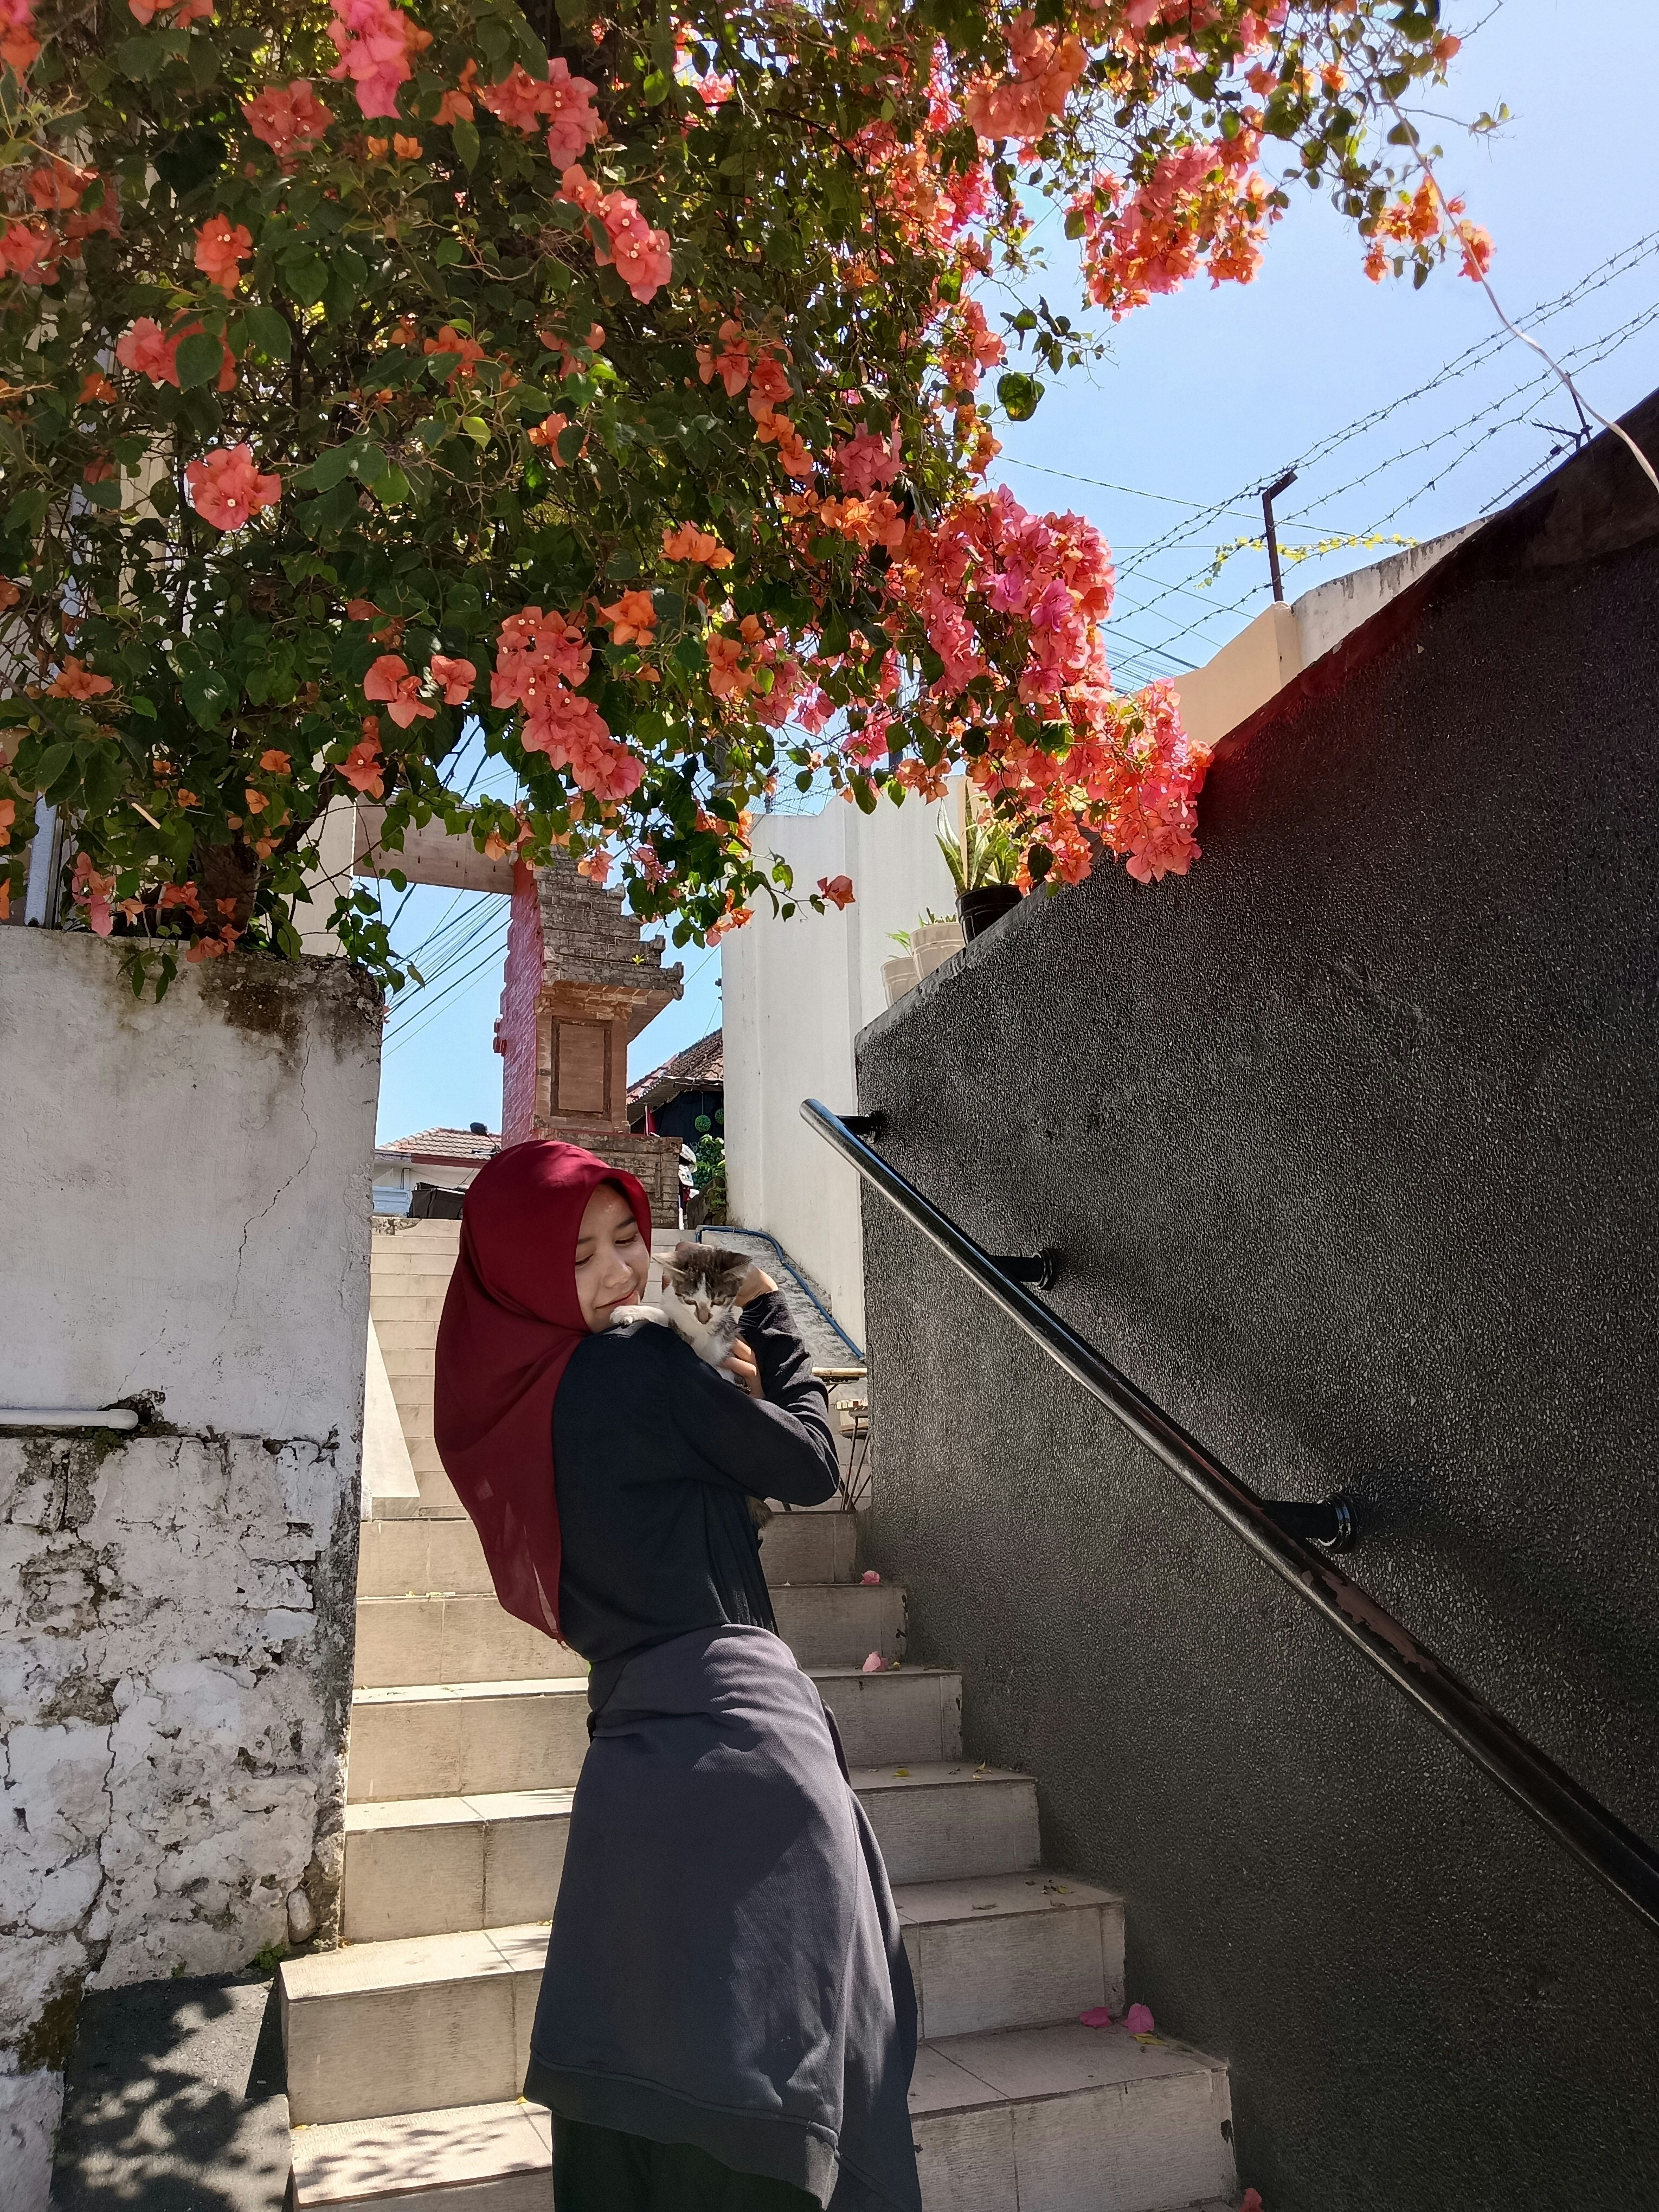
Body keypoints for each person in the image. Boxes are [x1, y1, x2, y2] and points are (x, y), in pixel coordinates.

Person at [432, 1139, 922, 2212]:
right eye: (580, 1256)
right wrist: (762, 1305)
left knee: (646, 2087)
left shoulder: (523, 1410)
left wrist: (708, 1393)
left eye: (626, 1239)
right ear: (520, 1272)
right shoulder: (634, 1365)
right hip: (745, 1739)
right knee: (790, 2087)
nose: (619, 1273)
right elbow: (807, 1462)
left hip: (632, 1760)